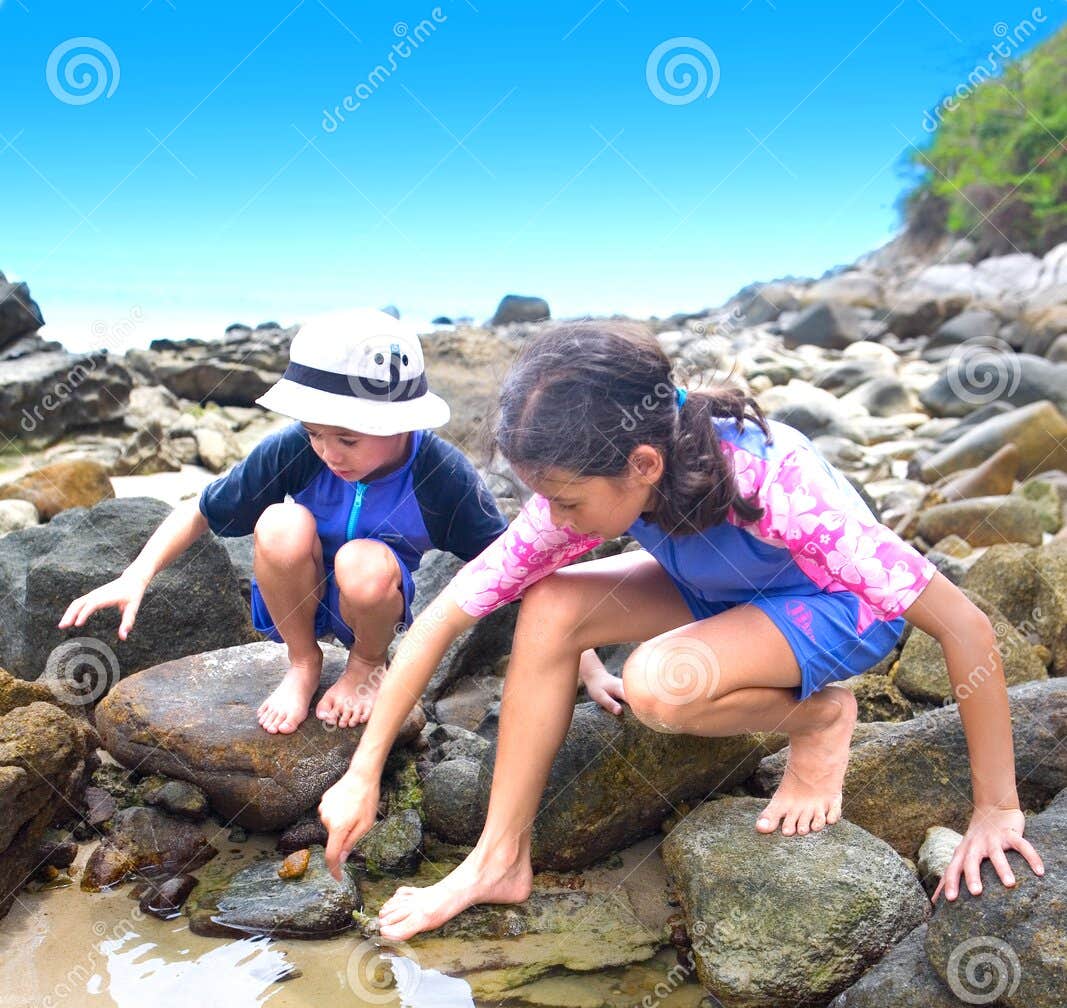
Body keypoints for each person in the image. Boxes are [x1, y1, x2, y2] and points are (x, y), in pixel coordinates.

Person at [316, 318, 1045, 938]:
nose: (554, 519)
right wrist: (362, 772)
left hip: (835, 605)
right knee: (550, 604)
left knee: (658, 683)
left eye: (567, 502)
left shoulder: (774, 480)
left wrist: (995, 809)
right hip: (718, 586)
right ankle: (498, 859)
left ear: (643, 464)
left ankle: (820, 718)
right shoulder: (601, 478)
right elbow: (444, 616)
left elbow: (965, 627)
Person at [58, 307, 521, 732]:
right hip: (296, 596)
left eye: (347, 439)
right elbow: (202, 507)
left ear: (402, 421)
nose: (329, 453)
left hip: (373, 601)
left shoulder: (440, 473)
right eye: (316, 433)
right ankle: (303, 663)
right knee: (280, 522)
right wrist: (137, 575)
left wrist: (558, 651)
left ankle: (366, 664)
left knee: (362, 561)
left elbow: (510, 561)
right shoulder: (297, 448)